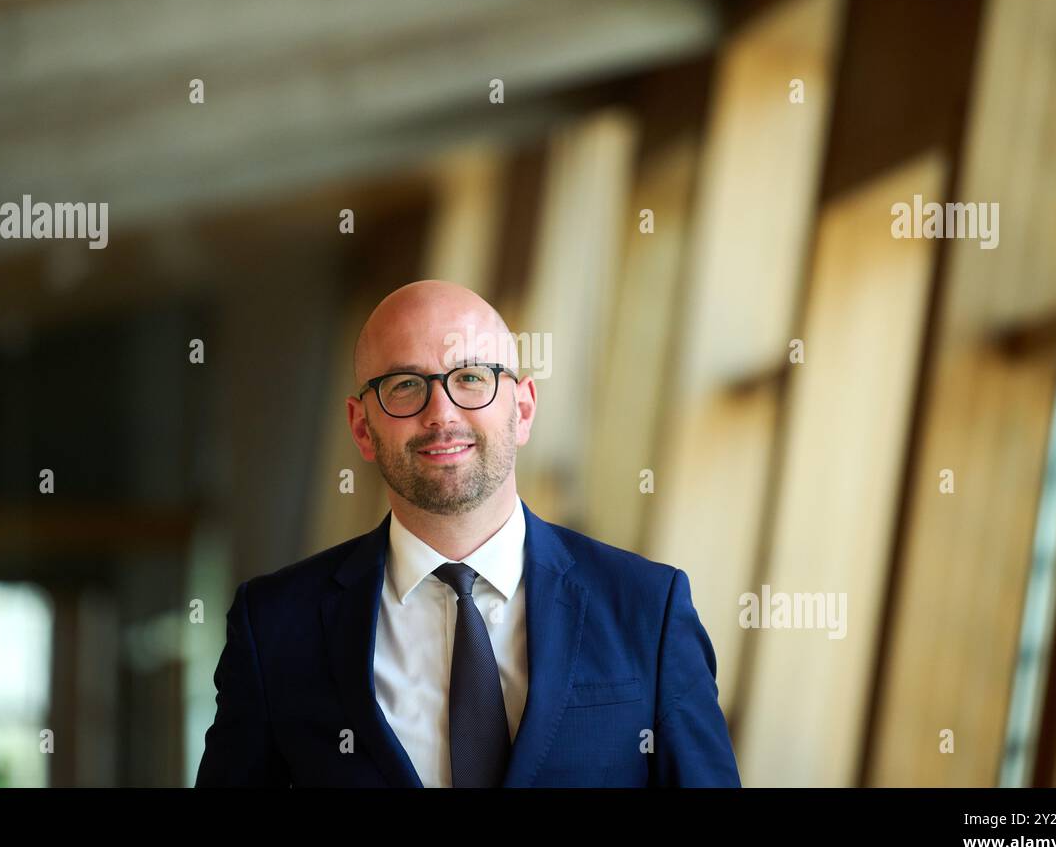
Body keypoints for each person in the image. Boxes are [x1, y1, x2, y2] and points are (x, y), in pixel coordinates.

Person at [195, 280, 740, 787]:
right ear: (362, 427)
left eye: (472, 378)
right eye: (405, 386)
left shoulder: (648, 609)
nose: (442, 413)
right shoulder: (274, 627)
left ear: (523, 410)